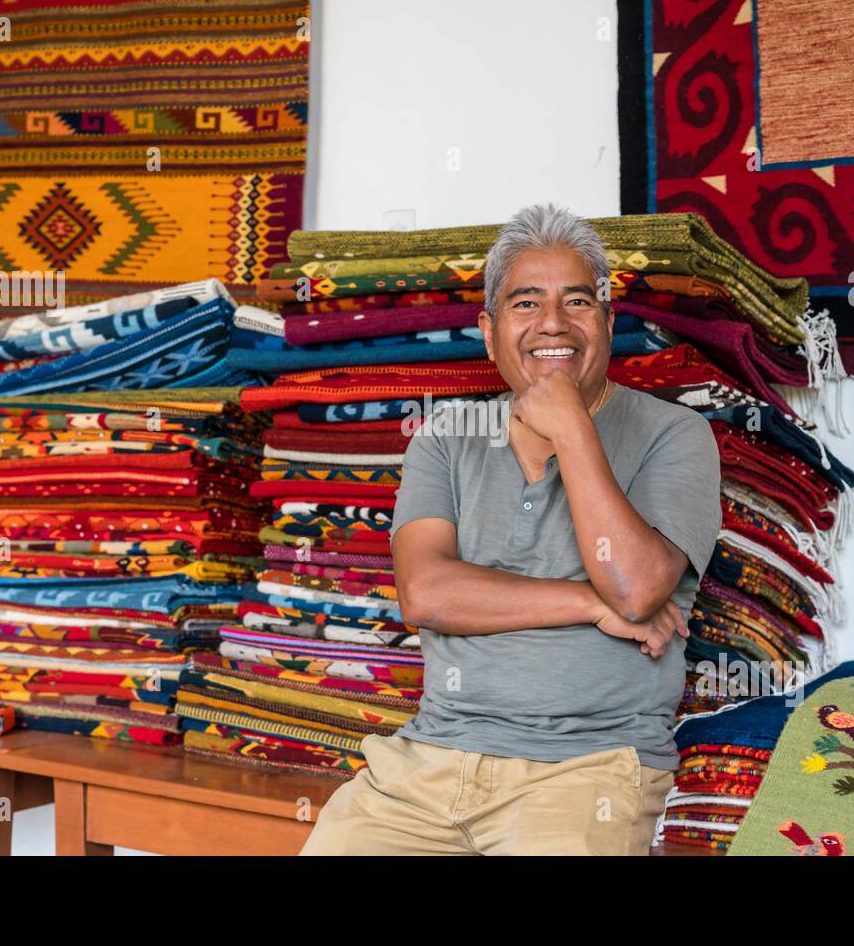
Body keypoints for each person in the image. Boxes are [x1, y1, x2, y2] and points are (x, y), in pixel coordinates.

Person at [299, 203, 722, 855]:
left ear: (608, 323)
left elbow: (636, 588)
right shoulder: (445, 439)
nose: (553, 322)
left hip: (588, 771)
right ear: (489, 331)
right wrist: (587, 601)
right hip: (427, 765)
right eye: (526, 304)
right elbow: (426, 592)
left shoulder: (676, 435)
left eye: (578, 301)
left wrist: (572, 422)